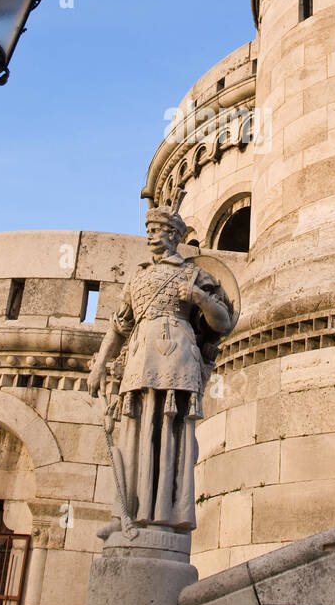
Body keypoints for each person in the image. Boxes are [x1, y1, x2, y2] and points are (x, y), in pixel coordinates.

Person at [87, 200, 233, 535]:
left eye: (159, 231)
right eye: (150, 231)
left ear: (175, 236)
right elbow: (119, 326)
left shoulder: (195, 274)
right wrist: (100, 364)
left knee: (170, 430)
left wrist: (199, 297)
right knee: (132, 431)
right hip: (139, 357)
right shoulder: (138, 278)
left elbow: (222, 322)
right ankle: (125, 512)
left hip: (176, 355)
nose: (152, 237)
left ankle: (166, 512)